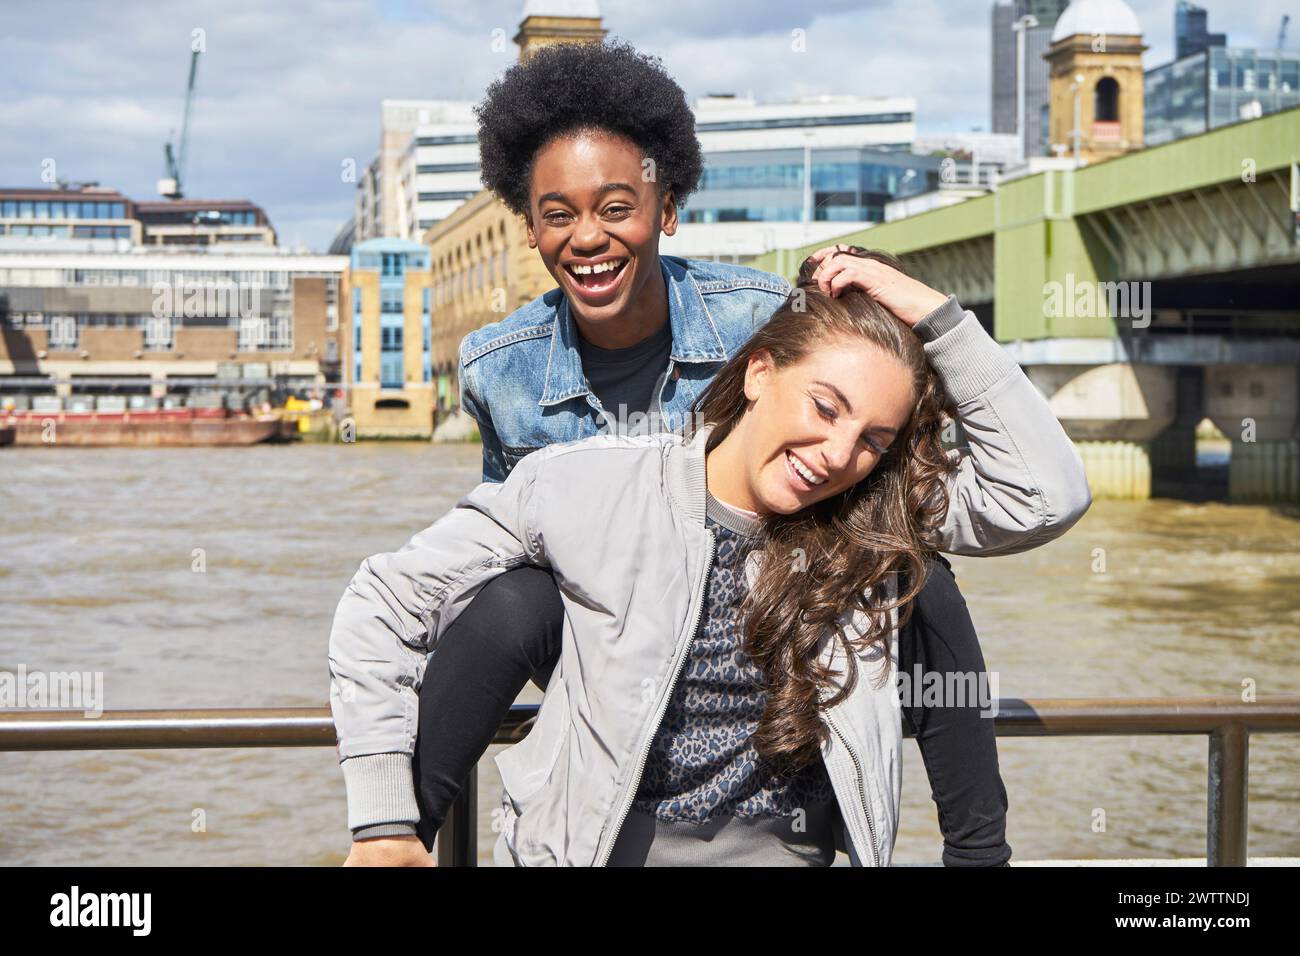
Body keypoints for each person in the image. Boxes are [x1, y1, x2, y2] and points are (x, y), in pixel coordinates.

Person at [333, 40, 1085, 866]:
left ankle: (979, 855)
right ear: (530, 223)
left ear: (668, 208)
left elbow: (1034, 493)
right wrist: (384, 813)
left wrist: (929, 312)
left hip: (776, 635)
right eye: (558, 213)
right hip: (600, 638)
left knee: (921, 575)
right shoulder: (503, 374)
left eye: (617, 207)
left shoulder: (762, 330)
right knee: (517, 599)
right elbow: (461, 582)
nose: (588, 237)